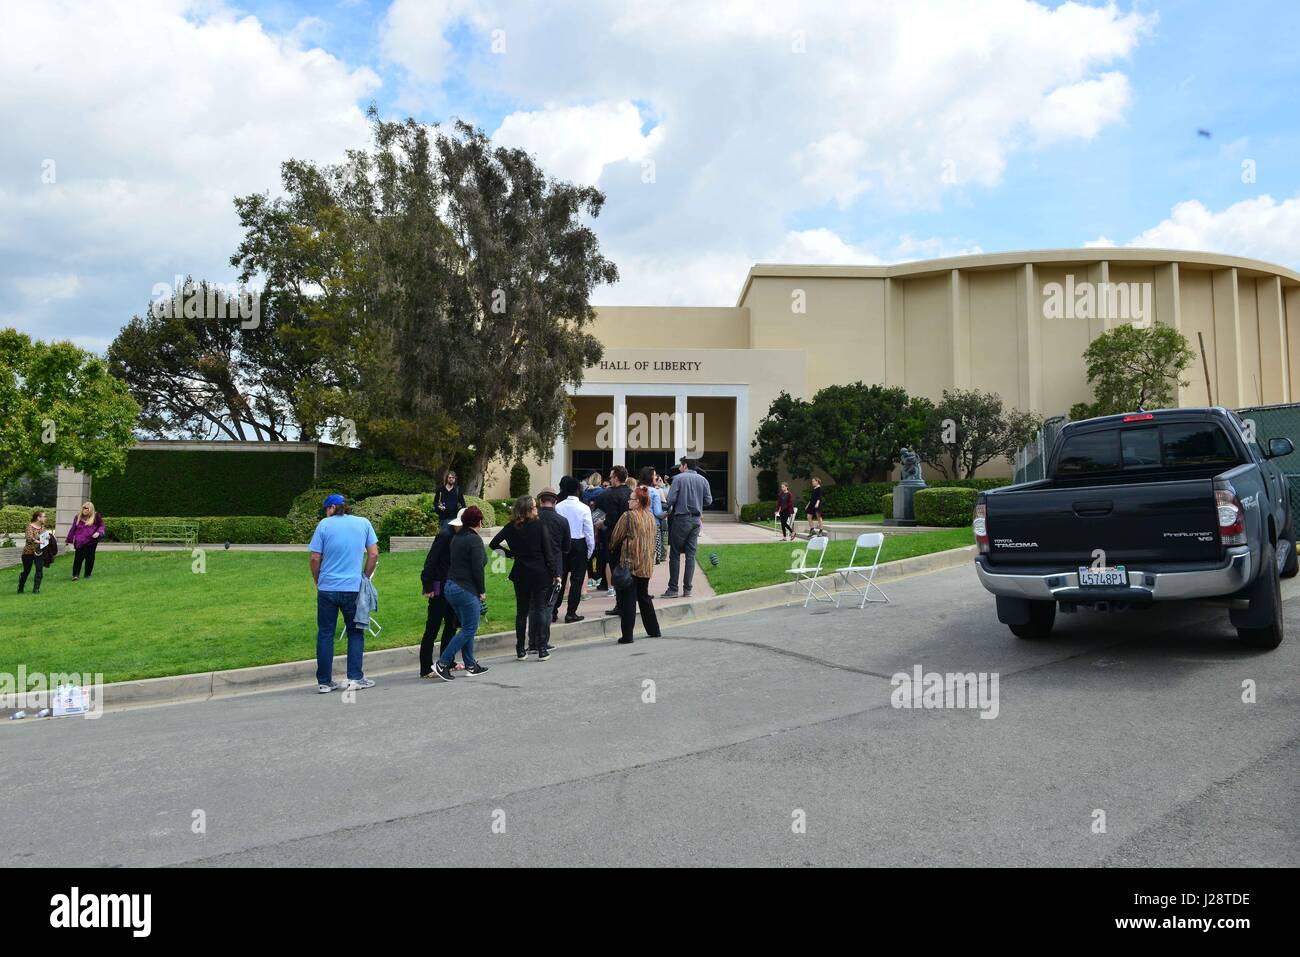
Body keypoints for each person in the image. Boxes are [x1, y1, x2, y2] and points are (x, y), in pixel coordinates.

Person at [309, 494, 380, 694]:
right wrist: (365, 576)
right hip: (353, 587)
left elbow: (315, 558)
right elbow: (373, 553)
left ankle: (324, 681)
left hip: (327, 588)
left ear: (332, 507)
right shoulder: (363, 523)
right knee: (355, 633)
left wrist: (317, 579)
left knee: (325, 633)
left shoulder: (324, 525)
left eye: (326, 509)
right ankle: (355, 678)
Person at [489, 496, 560, 660]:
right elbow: (548, 552)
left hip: (521, 571)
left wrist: (510, 554)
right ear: (527, 510)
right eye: (534, 507)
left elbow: (493, 544)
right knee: (541, 609)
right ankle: (542, 648)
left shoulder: (511, 527)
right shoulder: (540, 525)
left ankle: (520, 648)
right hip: (540, 572)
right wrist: (555, 573)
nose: (537, 510)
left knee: (522, 612)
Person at [434, 506, 490, 680]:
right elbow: (477, 569)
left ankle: (470, 664)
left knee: (467, 627)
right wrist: (481, 591)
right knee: (469, 628)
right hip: (466, 589)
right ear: (479, 522)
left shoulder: (457, 537)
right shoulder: (474, 540)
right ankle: (442, 663)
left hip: (450, 587)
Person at [609, 486, 662, 644]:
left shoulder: (628, 516)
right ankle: (654, 630)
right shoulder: (651, 517)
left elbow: (615, 537)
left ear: (638, 502)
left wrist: (612, 547)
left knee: (628, 601)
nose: (628, 501)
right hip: (646, 564)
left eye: (631, 499)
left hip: (630, 564)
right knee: (644, 597)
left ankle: (627, 635)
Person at [419, 509, 465, 677]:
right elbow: (430, 561)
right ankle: (425, 668)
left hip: (453, 587)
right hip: (439, 587)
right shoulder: (445, 535)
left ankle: (447, 660)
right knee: (432, 627)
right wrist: (428, 586)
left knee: (451, 626)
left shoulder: (460, 537)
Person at [662, 458, 712, 598]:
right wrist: (696, 500)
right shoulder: (703, 480)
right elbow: (708, 501)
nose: (679, 468)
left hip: (681, 519)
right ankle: (688, 589)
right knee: (690, 556)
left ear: (685, 466)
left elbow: (670, 499)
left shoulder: (678, 479)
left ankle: (673, 589)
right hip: (696, 520)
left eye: (680, 466)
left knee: (675, 554)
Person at [555, 475, 594, 623]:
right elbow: (589, 532)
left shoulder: (558, 507)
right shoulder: (584, 508)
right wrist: (589, 551)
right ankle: (571, 612)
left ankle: (554, 609)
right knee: (577, 580)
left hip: (563, 545)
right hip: (579, 544)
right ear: (578, 491)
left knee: (560, 578)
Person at [535, 488, 570, 644]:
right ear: (555, 502)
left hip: (535, 565)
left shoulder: (533, 520)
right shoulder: (562, 521)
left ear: (540, 502)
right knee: (548, 605)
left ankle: (533, 641)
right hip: (555, 565)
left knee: (534, 606)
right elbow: (566, 547)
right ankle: (543, 640)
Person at [594, 466, 632, 612]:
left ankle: (620, 604)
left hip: (611, 538)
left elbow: (597, 517)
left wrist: (600, 527)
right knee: (629, 571)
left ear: (616, 478)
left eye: (611, 477)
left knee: (616, 569)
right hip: (629, 538)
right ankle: (627, 603)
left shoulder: (605, 495)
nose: (609, 479)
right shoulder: (631, 494)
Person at [66, 501, 105, 580]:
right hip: (80, 541)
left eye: (86, 508)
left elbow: (101, 525)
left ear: (90, 509)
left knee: (90, 558)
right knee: (78, 558)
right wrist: (68, 540)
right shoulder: (78, 517)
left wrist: (98, 532)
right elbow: (73, 528)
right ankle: (75, 575)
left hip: (92, 541)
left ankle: (87, 574)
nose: (84, 509)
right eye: (83, 508)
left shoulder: (96, 516)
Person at [16, 509, 46, 594]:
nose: (45, 518)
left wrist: (47, 538)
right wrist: (37, 541)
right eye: (44, 516)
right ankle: (20, 587)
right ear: (38, 518)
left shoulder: (42, 527)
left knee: (39, 570)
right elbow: (29, 538)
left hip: (39, 552)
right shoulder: (29, 526)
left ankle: (36, 589)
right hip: (28, 553)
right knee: (27, 571)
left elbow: (44, 537)